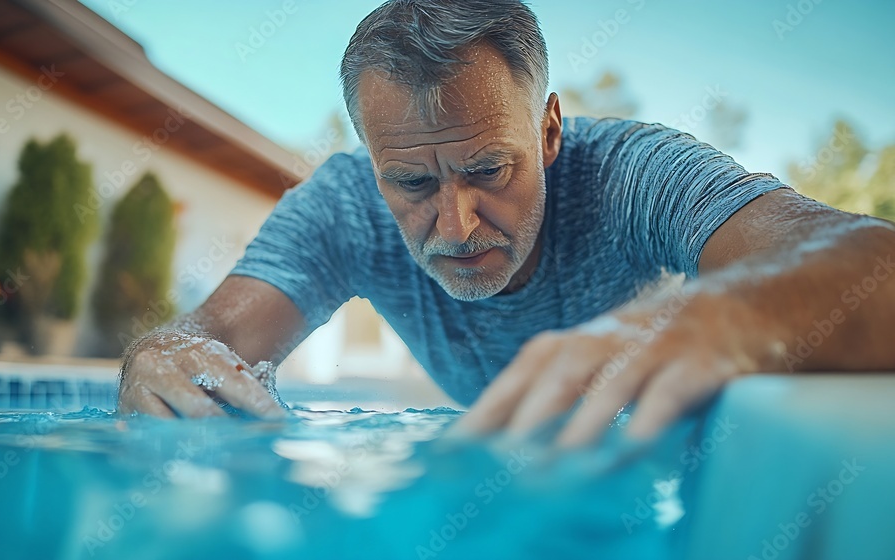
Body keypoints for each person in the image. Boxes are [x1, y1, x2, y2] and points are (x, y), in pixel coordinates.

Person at [117, 0, 895, 446]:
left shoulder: (633, 174)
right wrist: (159, 356)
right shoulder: (346, 204)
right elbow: (209, 336)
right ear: (370, 158)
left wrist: (727, 318)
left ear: (550, 131)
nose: (454, 224)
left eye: (489, 170)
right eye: (412, 182)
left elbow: (870, 260)